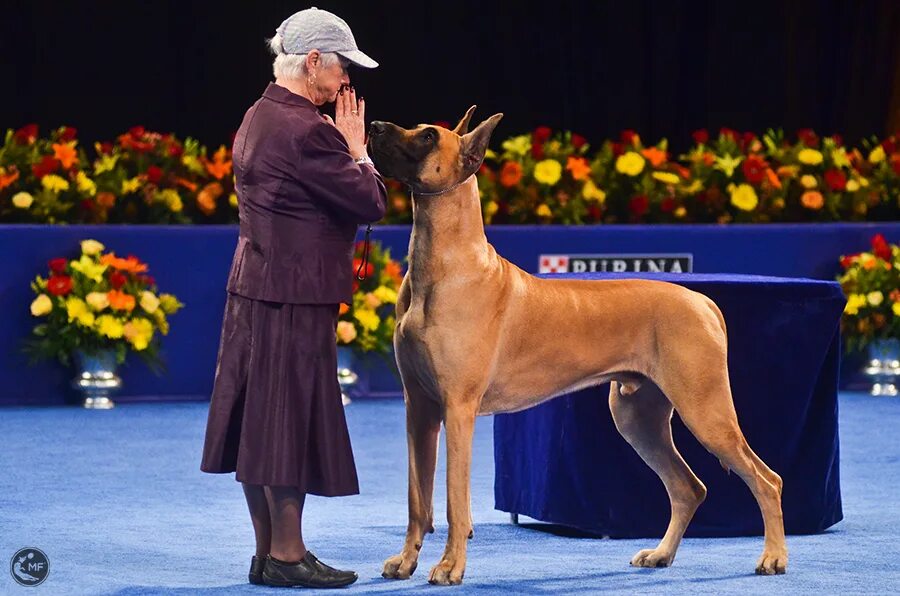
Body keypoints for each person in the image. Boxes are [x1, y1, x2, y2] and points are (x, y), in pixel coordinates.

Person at [200, 6, 386, 589]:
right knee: (285, 424)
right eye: (341, 68)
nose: (345, 82)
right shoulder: (309, 128)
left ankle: (267, 555)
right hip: (293, 296)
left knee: (261, 422)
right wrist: (357, 149)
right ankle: (286, 555)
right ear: (312, 62)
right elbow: (370, 203)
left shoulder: (260, 114)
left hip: (253, 289)